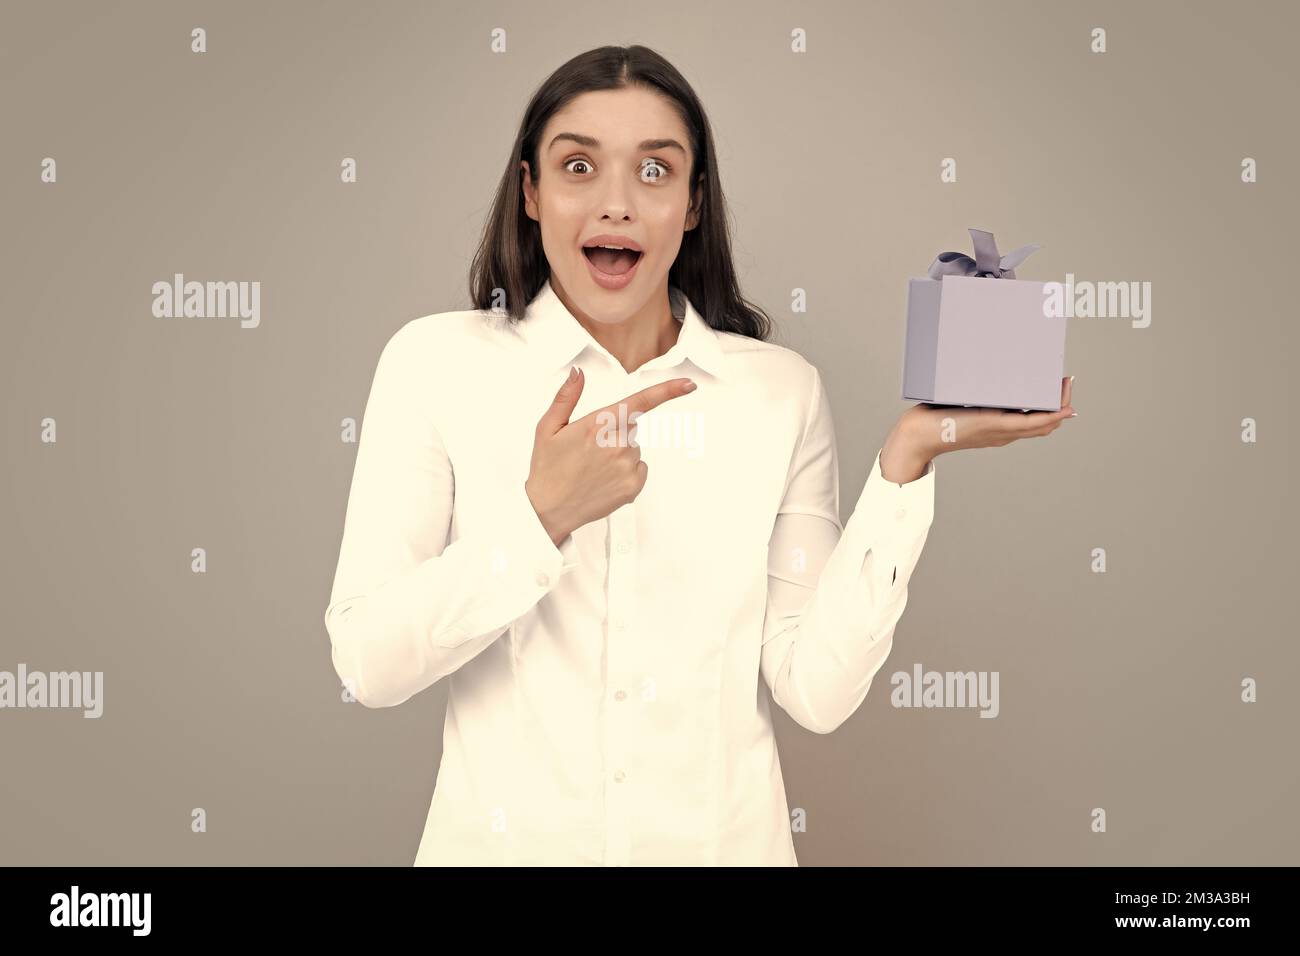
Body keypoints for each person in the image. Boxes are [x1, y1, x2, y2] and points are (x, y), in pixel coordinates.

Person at [323, 45, 1076, 866]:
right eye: (579, 166)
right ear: (531, 192)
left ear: (691, 204)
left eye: (655, 171)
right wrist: (540, 522)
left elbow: (816, 691)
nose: (616, 204)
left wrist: (907, 463)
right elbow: (368, 665)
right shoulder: (437, 364)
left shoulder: (779, 393)